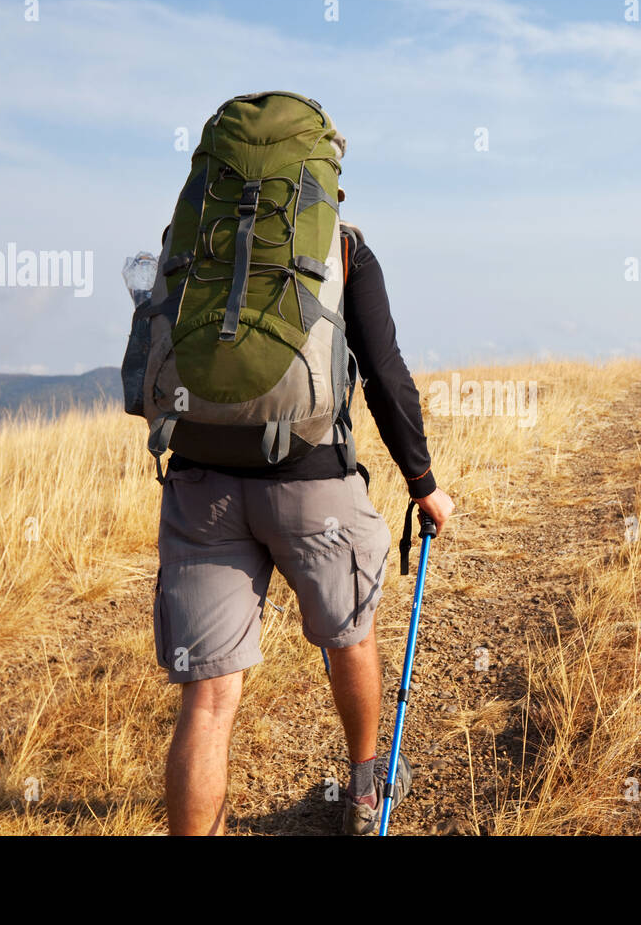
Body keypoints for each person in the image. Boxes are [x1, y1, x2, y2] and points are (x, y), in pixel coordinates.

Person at [153, 216, 454, 835]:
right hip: (312, 482)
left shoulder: (193, 237)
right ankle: (366, 789)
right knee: (350, 635)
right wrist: (422, 484)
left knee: (207, 700)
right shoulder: (341, 247)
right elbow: (385, 375)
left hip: (201, 485)